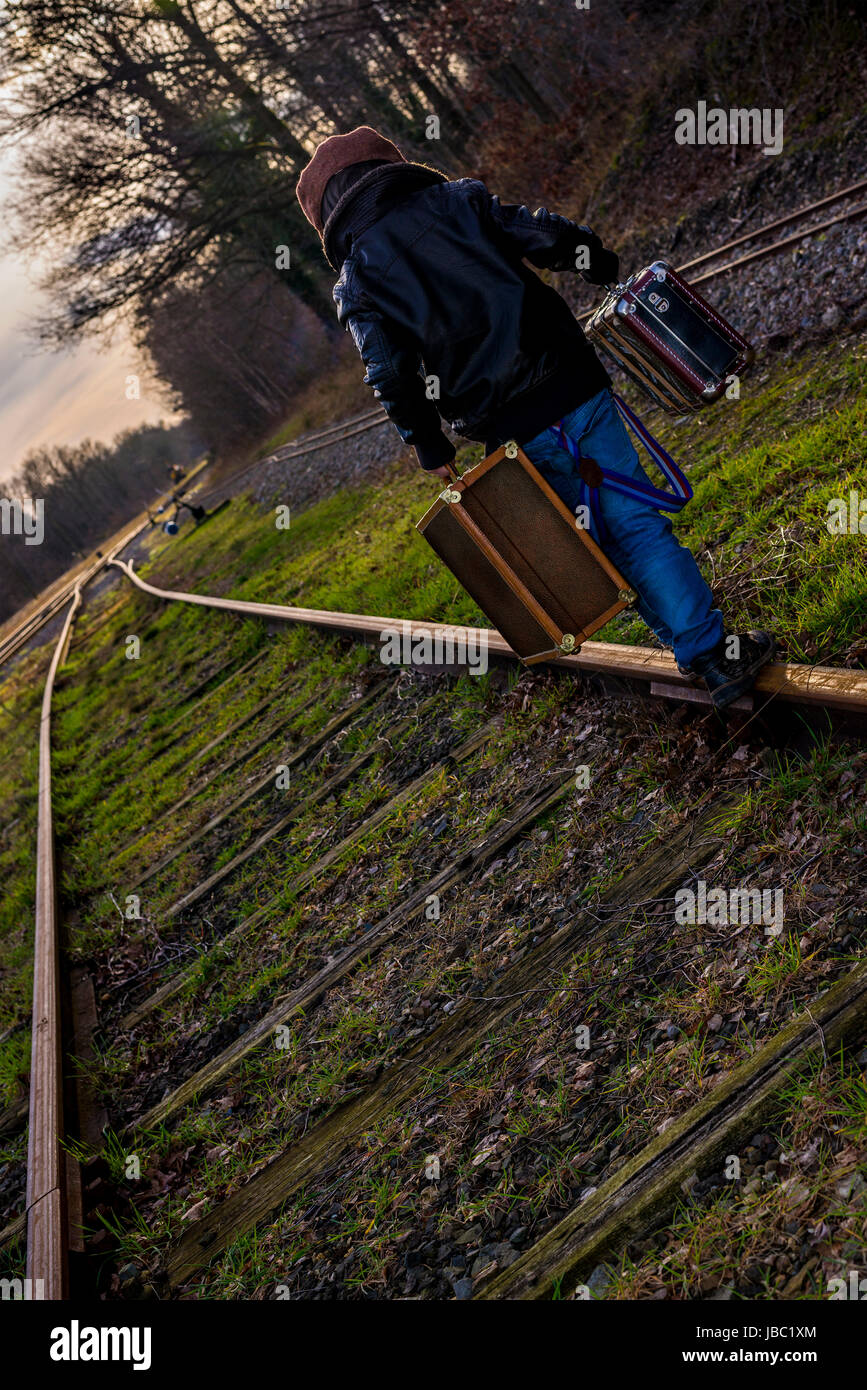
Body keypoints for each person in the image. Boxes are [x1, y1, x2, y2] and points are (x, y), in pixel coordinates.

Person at [295, 127, 775, 710]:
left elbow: (391, 375)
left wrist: (431, 449)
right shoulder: (457, 201)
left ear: (329, 216)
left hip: (509, 431)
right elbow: (546, 234)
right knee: (635, 522)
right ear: (389, 165)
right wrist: (598, 262)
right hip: (573, 385)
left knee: (599, 543)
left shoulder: (359, 280)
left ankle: (699, 652)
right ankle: (709, 653)